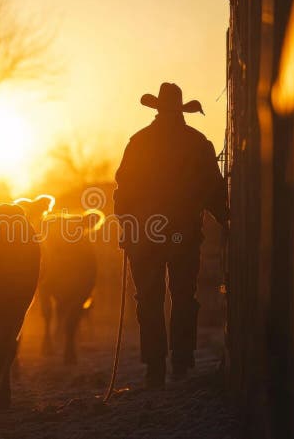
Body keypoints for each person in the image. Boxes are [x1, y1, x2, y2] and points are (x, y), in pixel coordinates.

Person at [114, 82, 228, 388]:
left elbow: (123, 189)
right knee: (183, 297)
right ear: (180, 111)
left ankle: (155, 367)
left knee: (149, 300)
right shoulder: (197, 142)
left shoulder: (139, 142)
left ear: (157, 110)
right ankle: (180, 361)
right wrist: (228, 219)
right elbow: (214, 190)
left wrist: (127, 225)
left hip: (146, 237)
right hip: (183, 236)